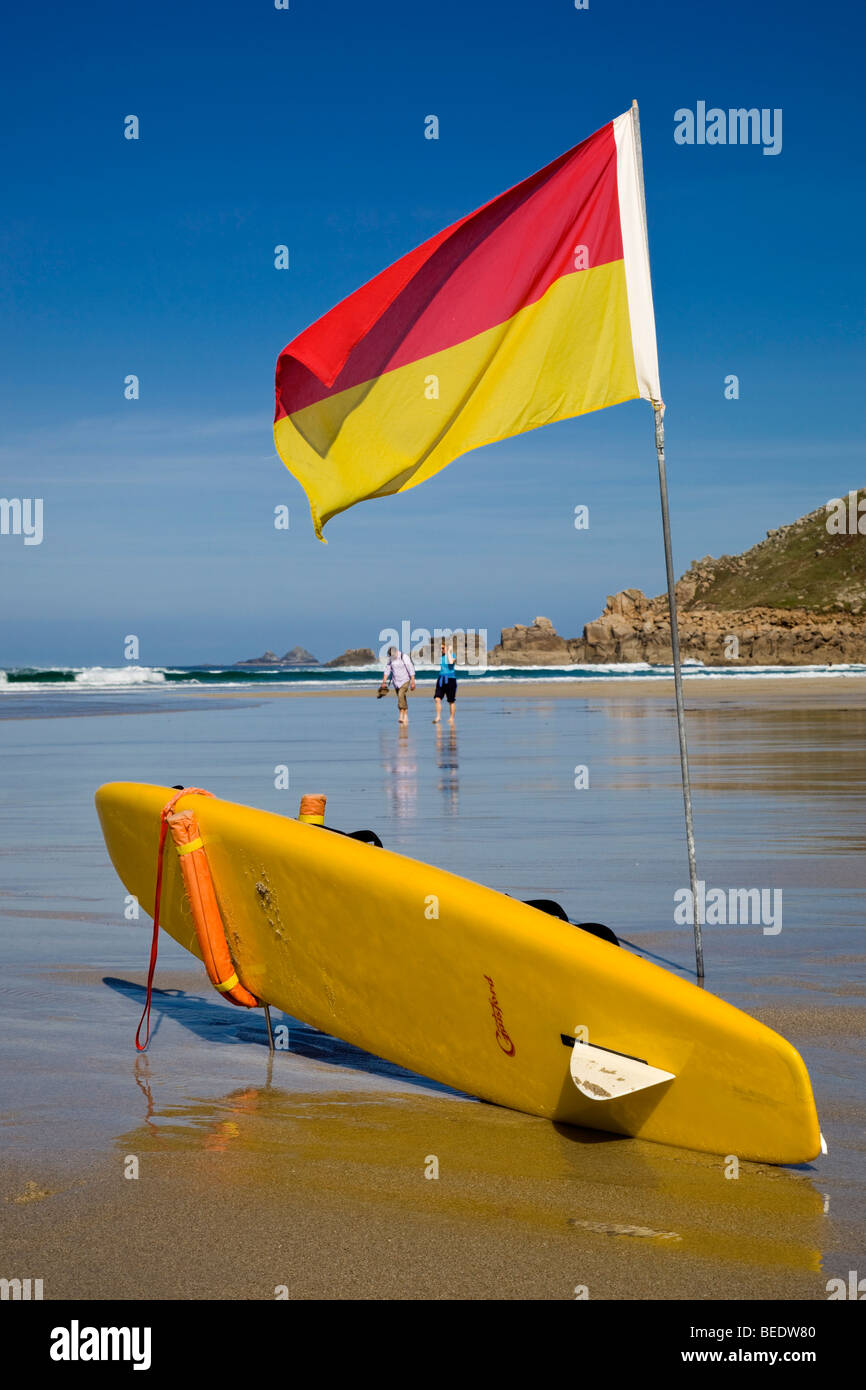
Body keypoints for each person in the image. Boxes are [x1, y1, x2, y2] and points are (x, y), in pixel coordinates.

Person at [382, 646, 416, 725]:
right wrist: (383, 682)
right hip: (396, 682)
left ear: (396, 652)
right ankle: (406, 714)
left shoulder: (404, 656)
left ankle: (401, 714)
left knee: (401, 694)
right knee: (402, 697)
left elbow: (410, 668)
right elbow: (387, 670)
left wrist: (413, 681)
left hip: (405, 680)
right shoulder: (390, 659)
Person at [432, 640, 457, 724]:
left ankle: (451, 718)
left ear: (446, 648)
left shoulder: (452, 655)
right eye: (440, 648)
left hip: (450, 679)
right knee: (437, 698)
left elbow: (450, 662)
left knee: (451, 701)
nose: (441, 650)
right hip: (441, 679)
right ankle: (438, 716)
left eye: (442, 648)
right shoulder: (441, 657)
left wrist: (449, 651)